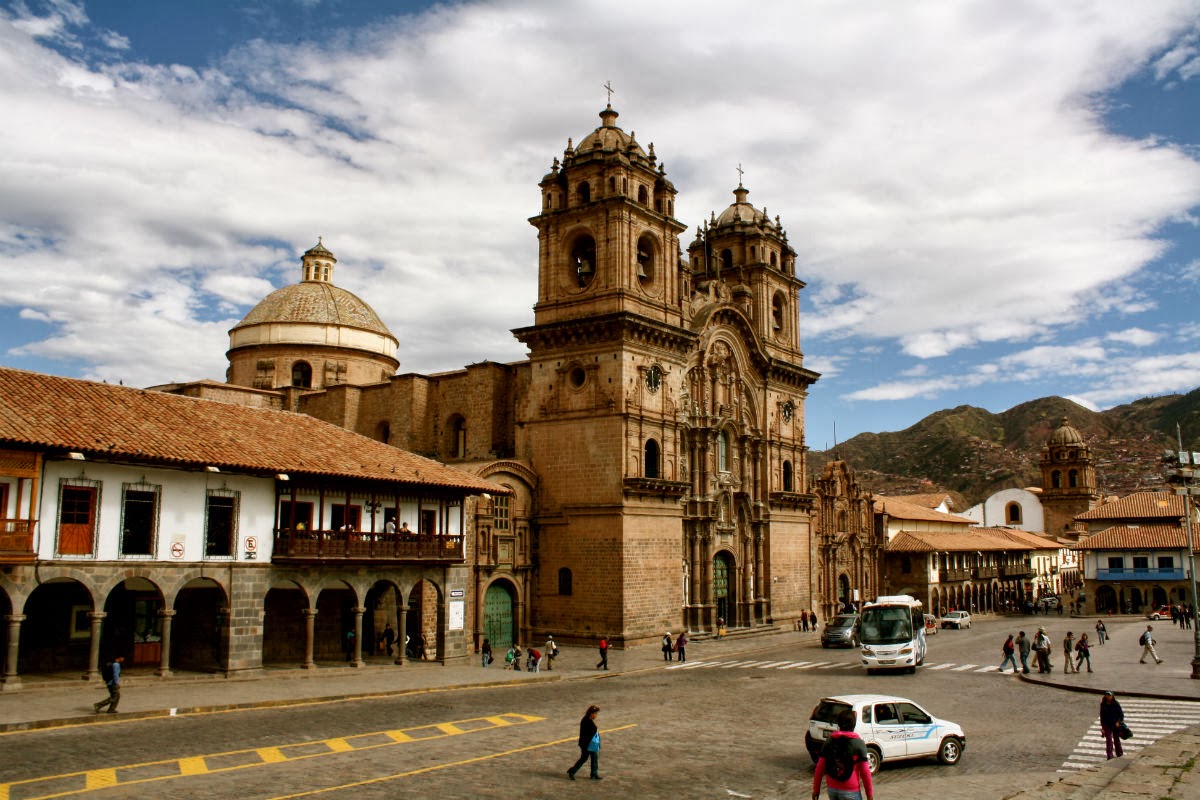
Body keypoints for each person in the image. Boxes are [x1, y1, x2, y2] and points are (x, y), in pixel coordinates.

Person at [812, 709, 874, 800]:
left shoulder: (829, 741)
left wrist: (816, 790)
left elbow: (820, 767)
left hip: (832, 789)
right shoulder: (858, 743)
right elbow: (865, 772)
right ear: (854, 724)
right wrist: (869, 795)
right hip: (851, 789)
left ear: (839, 724)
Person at [566, 704, 602, 781]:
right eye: (595, 714)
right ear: (591, 713)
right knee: (584, 758)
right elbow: (588, 734)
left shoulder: (588, 720)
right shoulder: (586, 721)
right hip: (586, 744)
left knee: (594, 757)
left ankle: (594, 773)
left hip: (590, 744)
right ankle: (572, 771)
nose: (596, 715)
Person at [1099, 691, 1125, 759]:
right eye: (1107, 695)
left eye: (1109, 695)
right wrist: (1102, 727)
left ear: (1112, 696)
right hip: (1107, 724)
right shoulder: (1103, 704)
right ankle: (1109, 755)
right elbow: (1102, 715)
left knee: (1116, 739)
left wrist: (1118, 722)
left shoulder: (1116, 703)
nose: (1108, 697)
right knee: (1109, 740)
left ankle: (1119, 753)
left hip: (1115, 724)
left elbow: (1121, 715)